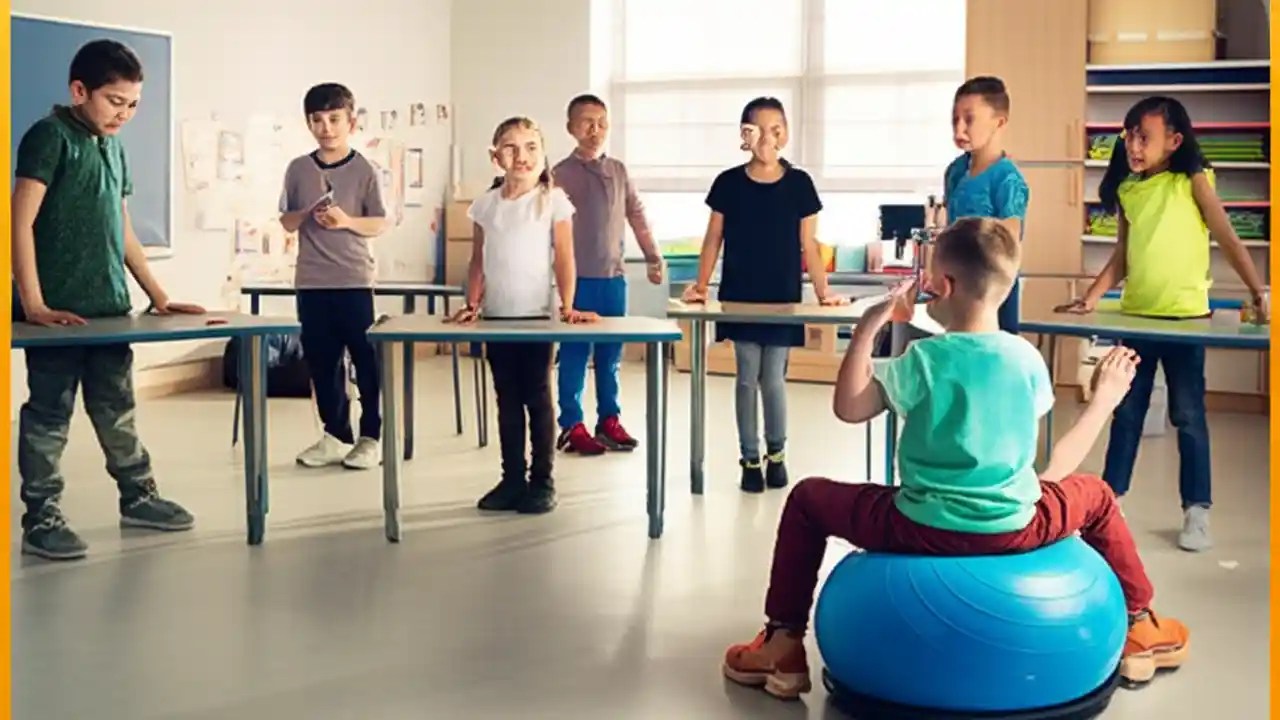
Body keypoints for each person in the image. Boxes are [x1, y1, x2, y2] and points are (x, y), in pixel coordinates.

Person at [722, 218, 1189, 700]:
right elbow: (1055, 467)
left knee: (806, 499)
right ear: (1004, 290)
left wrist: (869, 326)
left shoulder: (922, 360)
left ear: (941, 286)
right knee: (1096, 494)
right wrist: (1103, 402)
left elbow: (848, 407)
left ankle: (782, 642)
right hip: (1016, 527)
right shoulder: (1026, 360)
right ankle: (1140, 624)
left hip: (919, 526)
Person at [11, 39, 202, 560]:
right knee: (48, 416)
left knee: (117, 409)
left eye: (134, 104)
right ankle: (42, 516)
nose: (125, 113)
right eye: (115, 101)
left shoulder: (113, 147)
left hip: (108, 310)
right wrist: (33, 305)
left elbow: (122, 228)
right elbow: (19, 222)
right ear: (80, 90)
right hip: (57, 313)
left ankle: (138, 496)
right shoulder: (49, 137)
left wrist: (157, 295)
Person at [1057, 96, 1269, 553]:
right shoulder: (1130, 191)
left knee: (1188, 416)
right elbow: (1122, 258)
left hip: (1186, 323)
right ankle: (1109, 505)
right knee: (1126, 412)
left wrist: (1259, 291)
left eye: (1144, 136)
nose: (1134, 144)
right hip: (1136, 320)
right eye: (1129, 134)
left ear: (1174, 142)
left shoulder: (1192, 181)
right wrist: (1091, 298)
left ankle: (1197, 509)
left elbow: (1227, 237)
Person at [682, 97, 847, 493]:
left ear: (786, 133)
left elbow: (810, 245)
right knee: (745, 377)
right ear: (744, 135)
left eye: (778, 129)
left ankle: (777, 455)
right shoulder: (728, 183)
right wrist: (701, 285)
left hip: (783, 298)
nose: (770, 138)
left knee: (773, 377)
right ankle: (749, 458)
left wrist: (823, 292)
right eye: (759, 129)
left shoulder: (800, 184)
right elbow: (712, 240)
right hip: (739, 295)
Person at [448, 116, 599, 514]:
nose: (522, 156)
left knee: (537, 396)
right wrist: (473, 302)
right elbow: (478, 260)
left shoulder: (553, 201)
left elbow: (565, 257)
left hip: (535, 316)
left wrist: (567, 305)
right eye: (511, 147)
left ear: (543, 153)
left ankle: (542, 480)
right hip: (497, 318)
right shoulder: (485, 205)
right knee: (506, 398)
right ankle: (512, 477)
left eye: (531, 147)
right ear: (495, 156)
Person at [279, 83, 389, 470]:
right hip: (311, 281)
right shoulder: (297, 169)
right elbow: (286, 221)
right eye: (317, 120)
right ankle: (335, 434)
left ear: (351, 121)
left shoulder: (365, 170)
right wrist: (306, 213)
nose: (326, 127)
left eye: (334, 119)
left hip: (354, 280)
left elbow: (379, 223)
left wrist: (346, 221)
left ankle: (371, 436)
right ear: (308, 123)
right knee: (322, 362)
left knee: (366, 360)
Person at [552, 94, 665, 455]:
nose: (595, 129)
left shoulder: (618, 169)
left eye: (601, 122)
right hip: (576, 281)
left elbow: (636, 214)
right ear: (571, 127)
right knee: (573, 354)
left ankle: (609, 420)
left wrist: (652, 256)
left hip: (613, 279)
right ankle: (572, 423)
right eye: (586, 122)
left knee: (610, 356)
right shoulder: (559, 174)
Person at [940, 76, 1030, 334]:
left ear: (999, 122)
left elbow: (1009, 242)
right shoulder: (955, 171)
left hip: (991, 290)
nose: (958, 130)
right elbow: (949, 227)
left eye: (969, 120)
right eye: (954, 119)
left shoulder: (1007, 179)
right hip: (955, 286)